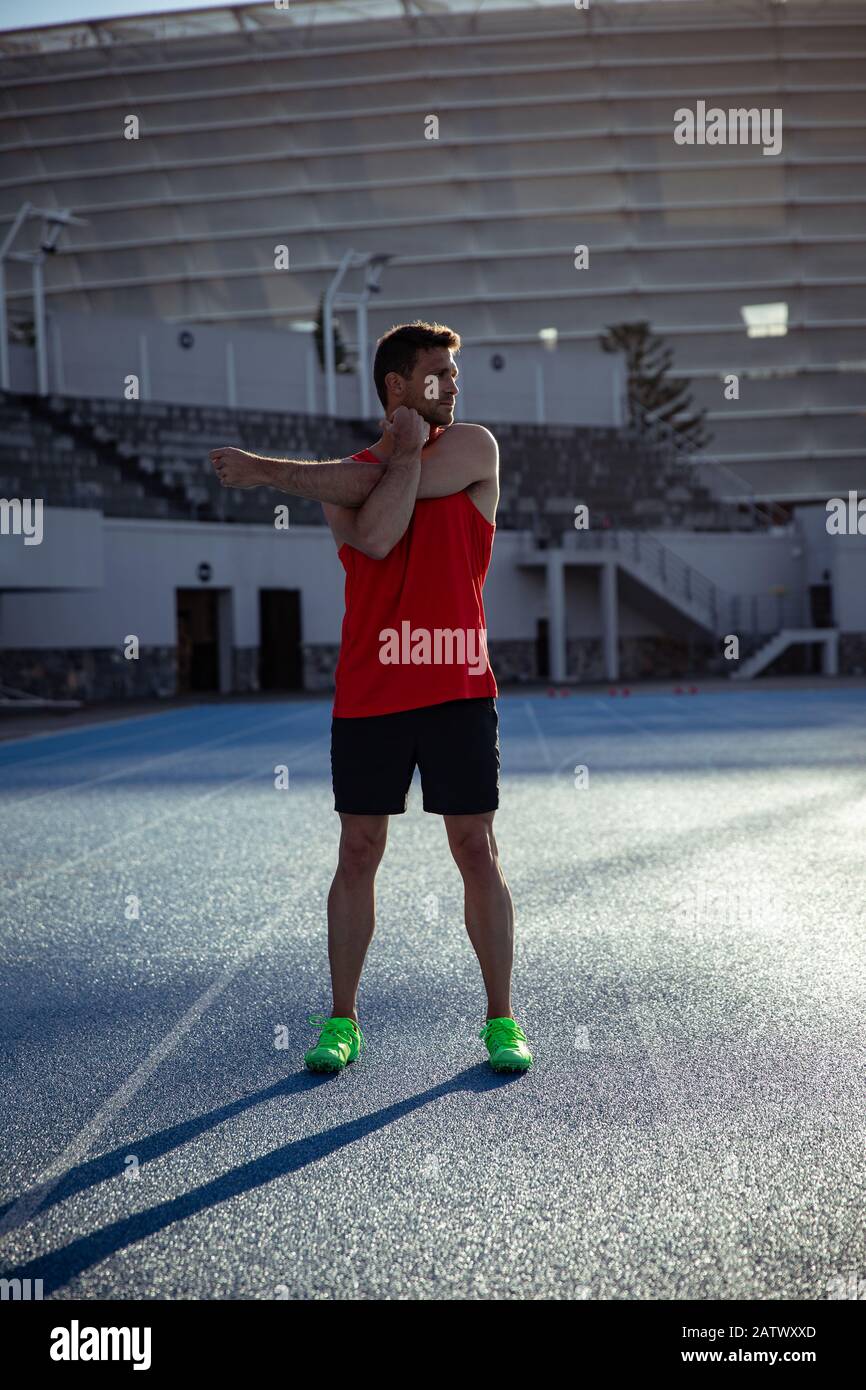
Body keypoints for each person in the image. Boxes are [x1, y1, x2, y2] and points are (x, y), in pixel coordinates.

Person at [210, 321, 532, 1074]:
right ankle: (343, 1020)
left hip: (456, 684)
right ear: (396, 386)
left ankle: (501, 1019)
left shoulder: (476, 447)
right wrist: (392, 460)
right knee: (358, 851)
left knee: (475, 849)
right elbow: (381, 534)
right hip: (371, 688)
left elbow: (371, 495)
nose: (454, 383)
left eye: (455, 372)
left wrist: (270, 470)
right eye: (438, 374)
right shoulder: (349, 476)